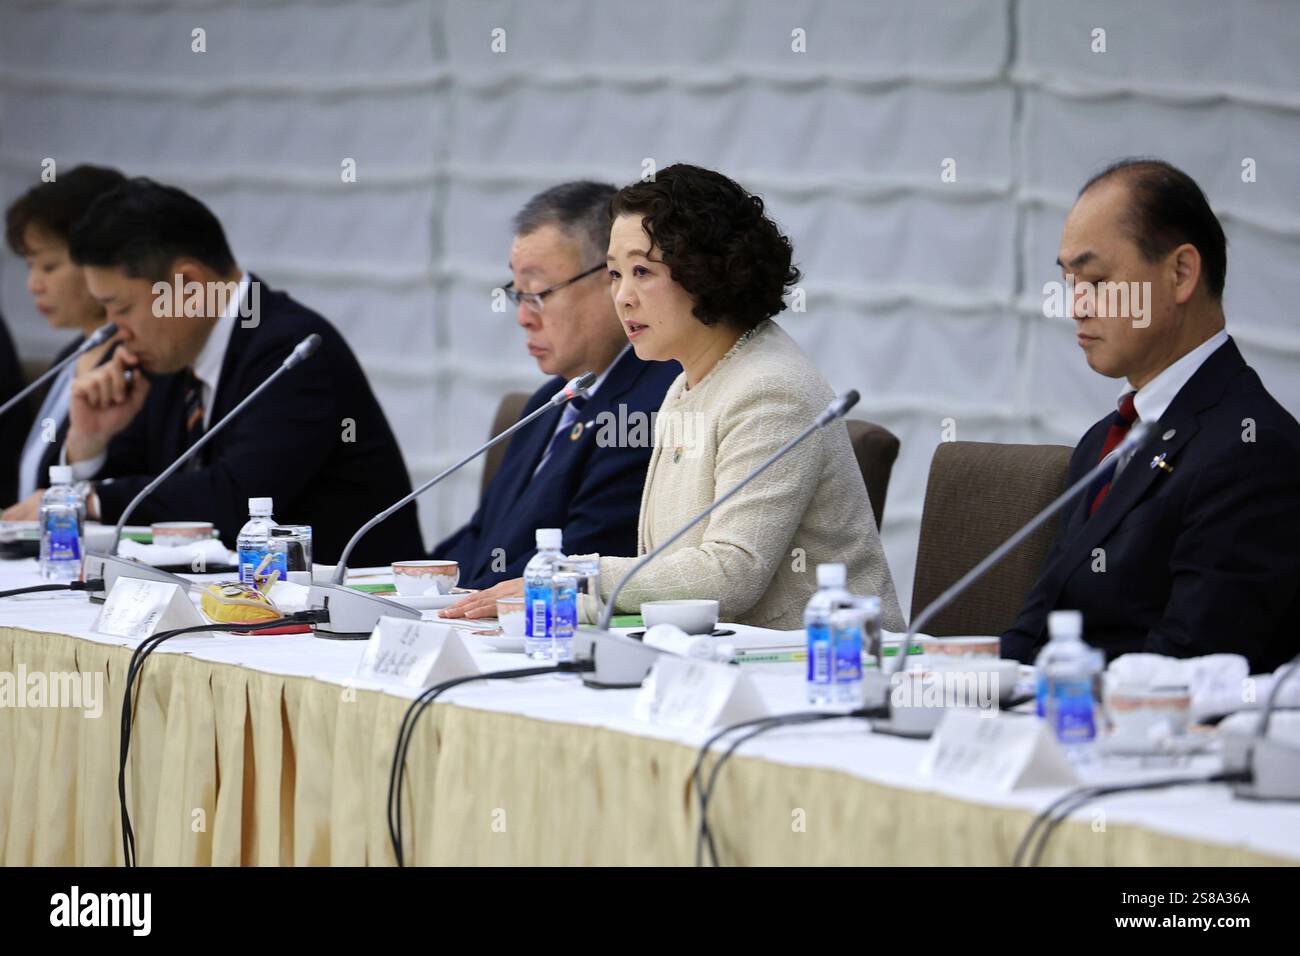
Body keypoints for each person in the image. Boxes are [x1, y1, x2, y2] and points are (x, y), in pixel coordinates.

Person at [444, 164, 903, 631]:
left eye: (642, 271)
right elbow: (665, 566)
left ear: (705, 271)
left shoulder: (770, 388)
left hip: (825, 668)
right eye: (614, 274)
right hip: (714, 659)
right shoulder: (687, 384)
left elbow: (731, 574)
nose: (622, 297)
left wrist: (572, 581)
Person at [3, 177, 423, 566]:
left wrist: (89, 499)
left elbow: (236, 499)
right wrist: (89, 444)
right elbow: (140, 485)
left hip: (352, 620)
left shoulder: (292, 350)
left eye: (122, 307)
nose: (113, 328)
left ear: (187, 287)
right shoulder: (168, 353)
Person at [1003, 158, 1300, 673]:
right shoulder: (1106, 439)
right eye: (1069, 282)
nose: (1075, 306)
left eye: (1094, 279)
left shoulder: (1252, 448)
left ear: (1181, 273)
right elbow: (1035, 627)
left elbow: (1186, 667)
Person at [431, 181, 678, 588]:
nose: (523, 317)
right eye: (518, 293)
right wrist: (398, 584)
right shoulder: (550, 400)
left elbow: (580, 557)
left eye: (538, 293)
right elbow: (481, 538)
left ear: (609, 279)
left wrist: (456, 604)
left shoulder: (650, 408)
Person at [2, 164, 126, 505]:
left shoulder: (137, 362)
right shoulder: (70, 355)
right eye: (30, 267)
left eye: (49, 267)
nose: (33, 285)